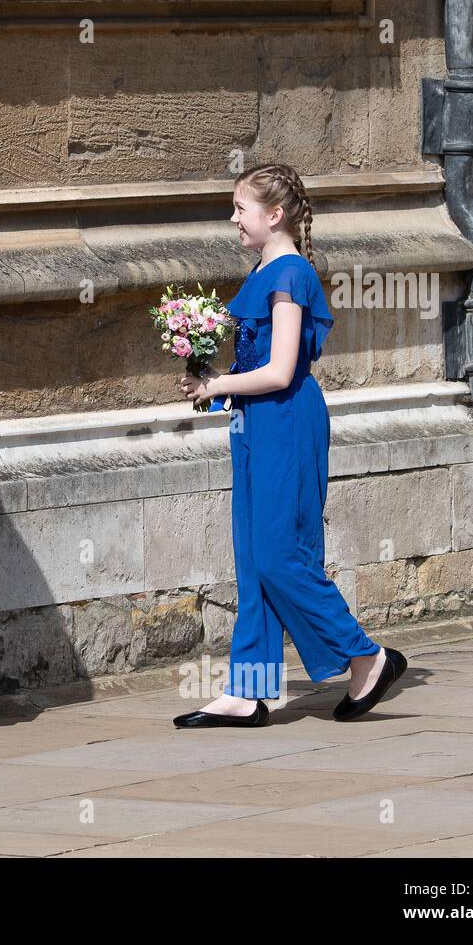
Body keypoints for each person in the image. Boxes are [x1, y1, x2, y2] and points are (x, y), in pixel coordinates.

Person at [174, 163, 407, 729]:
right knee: (253, 558)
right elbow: (261, 365)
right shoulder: (264, 270)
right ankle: (247, 692)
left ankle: (367, 656)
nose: (232, 219)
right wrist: (215, 382)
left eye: (239, 208)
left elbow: (281, 371)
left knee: (281, 554)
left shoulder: (290, 275)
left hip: (286, 420)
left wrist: (217, 385)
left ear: (273, 215)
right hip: (256, 422)